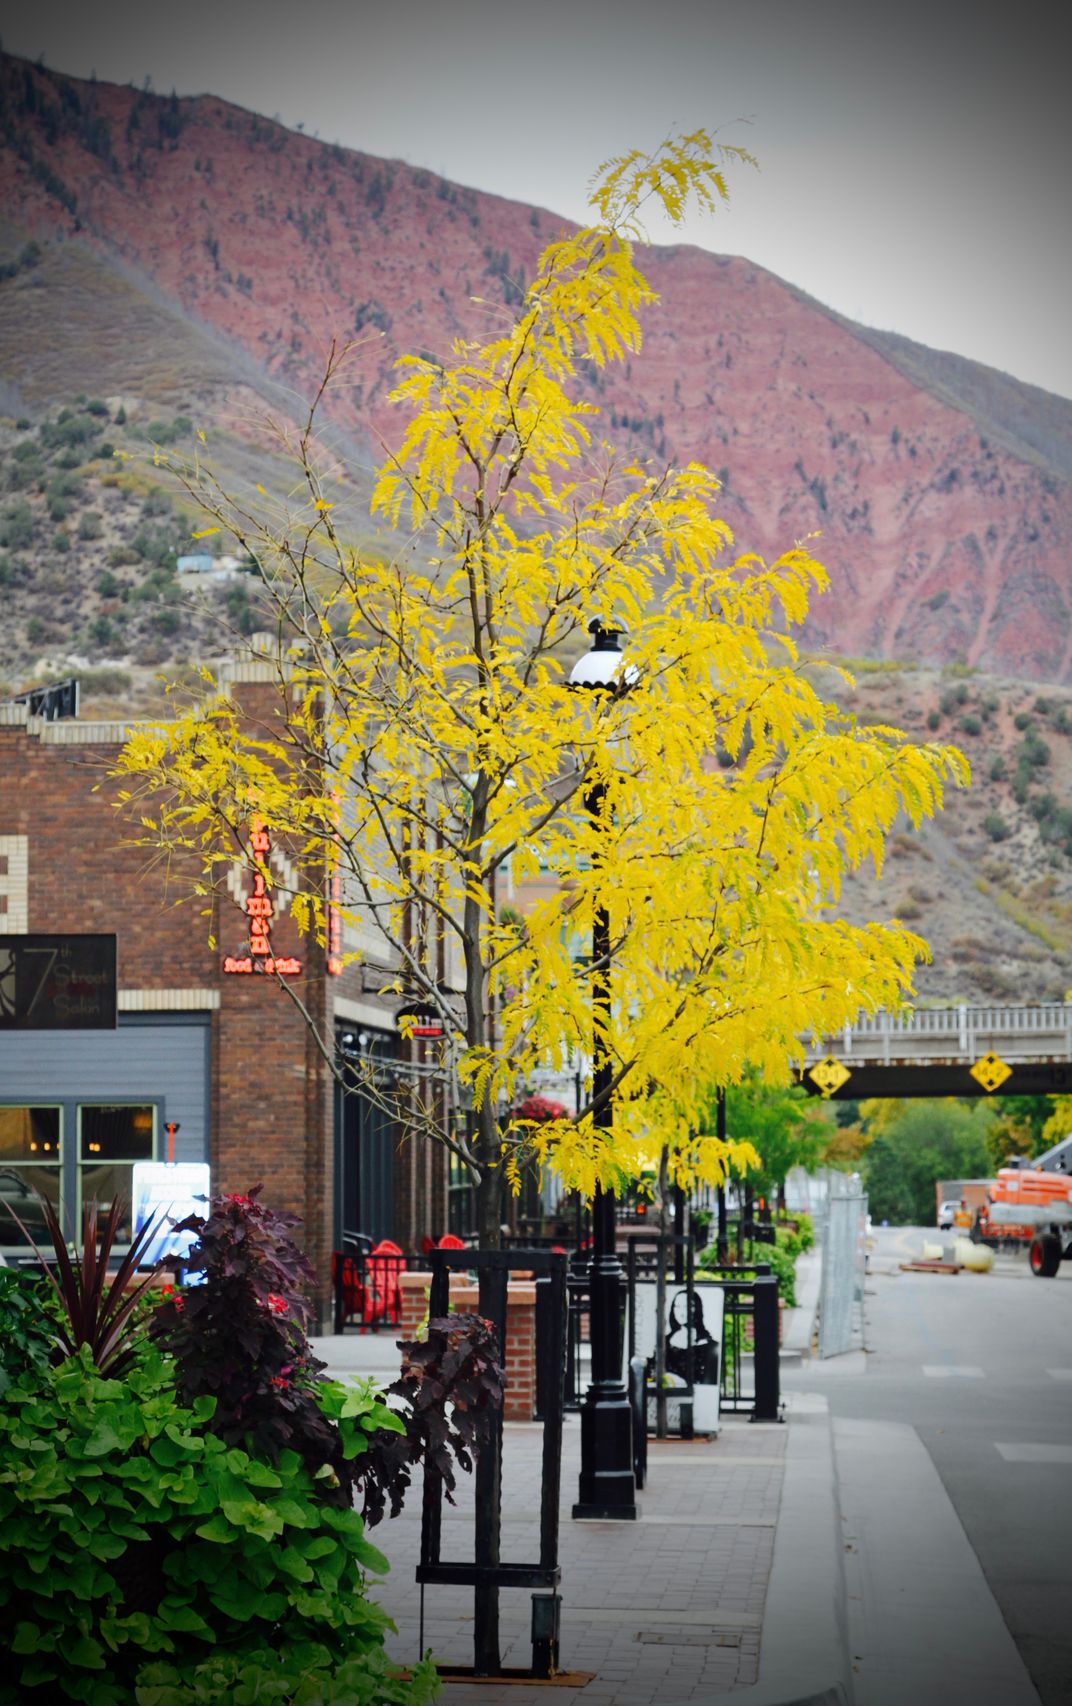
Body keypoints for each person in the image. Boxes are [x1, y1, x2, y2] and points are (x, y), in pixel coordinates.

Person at [664, 1288, 719, 1386]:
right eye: (677, 1306)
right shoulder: (664, 1341)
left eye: (687, 1306)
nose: (681, 1312)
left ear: (696, 1308)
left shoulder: (709, 1345)